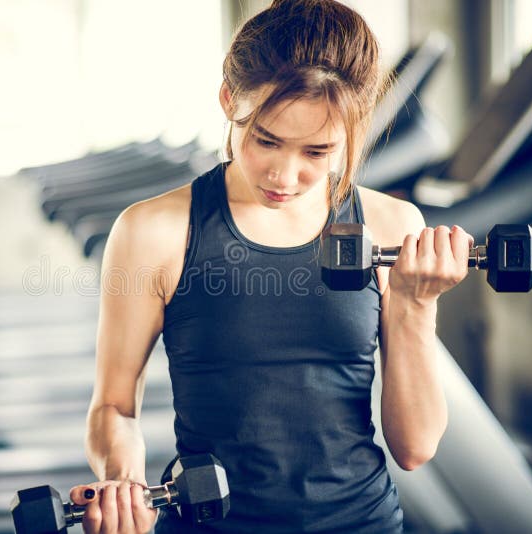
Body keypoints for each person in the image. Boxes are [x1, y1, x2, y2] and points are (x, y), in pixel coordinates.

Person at [69, 0, 474, 532]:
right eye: (266, 140)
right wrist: (125, 481)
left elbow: (416, 447)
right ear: (228, 99)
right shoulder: (152, 231)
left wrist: (416, 305)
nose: (284, 174)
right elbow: (114, 409)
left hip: (362, 522)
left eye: (317, 152)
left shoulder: (392, 224)